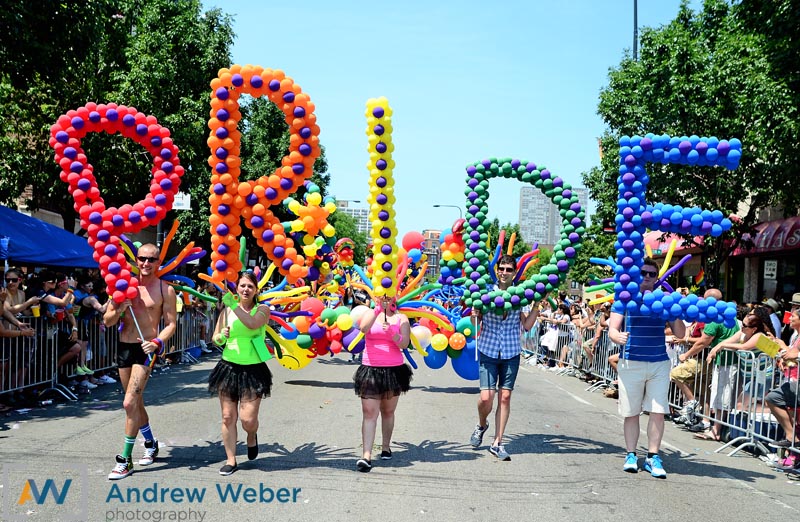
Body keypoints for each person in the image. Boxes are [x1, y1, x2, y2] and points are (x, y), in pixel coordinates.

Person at [103, 244, 177, 480]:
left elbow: (171, 324)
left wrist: (157, 342)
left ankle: (125, 460)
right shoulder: (123, 285)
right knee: (135, 403)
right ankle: (150, 443)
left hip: (146, 349)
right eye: (142, 258)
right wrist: (119, 309)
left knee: (129, 403)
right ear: (136, 260)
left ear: (158, 262)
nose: (146, 263)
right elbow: (107, 321)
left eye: (151, 259)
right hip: (125, 347)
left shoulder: (165, 289)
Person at [608, 257, 686, 479]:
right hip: (631, 362)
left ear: (657, 277)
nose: (647, 277)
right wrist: (616, 336)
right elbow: (612, 328)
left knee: (658, 412)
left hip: (659, 363)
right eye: (643, 273)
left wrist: (674, 312)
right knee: (631, 412)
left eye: (652, 274)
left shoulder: (663, 300)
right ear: (636, 273)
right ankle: (631, 454)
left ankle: (653, 456)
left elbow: (681, 334)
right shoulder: (624, 298)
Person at [469, 255, 540, 461]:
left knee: (505, 396)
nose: (504, 272)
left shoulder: (520, 295)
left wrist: (536, 306)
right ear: (497, 270)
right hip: (488, 350)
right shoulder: (485, 292)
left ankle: (497, 442)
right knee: (486, 398)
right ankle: (482, 424)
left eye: (509, 269)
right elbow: (476, 324)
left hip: (511, 352)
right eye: (502, 268)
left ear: (514, 273)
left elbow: (526, 325)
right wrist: (474, 312)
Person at [208, 271, 272, 476]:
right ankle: (231, 460)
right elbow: (215, 338)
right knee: (228, 416)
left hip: (253, 369)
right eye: (242, 285)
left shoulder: (262, 309)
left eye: (250, 286)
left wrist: (233, 305)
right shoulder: (227, 311)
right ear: (237, 288)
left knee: (248, 419)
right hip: (228, 367)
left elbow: (252, 324)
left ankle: (251, 436)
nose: (246, 290)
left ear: (256, 290)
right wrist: (221, 337)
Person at [354, 294, 412, 472]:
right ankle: (366, 455)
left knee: (387, 411)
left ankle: (386, 447)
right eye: (382, 295)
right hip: (370, 368)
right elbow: (363, 328)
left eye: (389, 295)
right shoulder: (370, 313)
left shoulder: (401, 318)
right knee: (369, 412)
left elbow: (405, 344)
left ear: (395, 297)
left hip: (393, 369)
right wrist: (377, 310)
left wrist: (393, 334)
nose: (385, 298)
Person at [764, 309, 800, 450]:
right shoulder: (795, 336)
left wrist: (791, 353)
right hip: (791, 378)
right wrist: (779, 348)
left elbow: (793, 354)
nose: (789, 318)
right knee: (773, 398)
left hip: (795, 379)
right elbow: (790, 353)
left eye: (793, 316)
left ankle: (792, 441)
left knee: (775, 399)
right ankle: (791, 438)